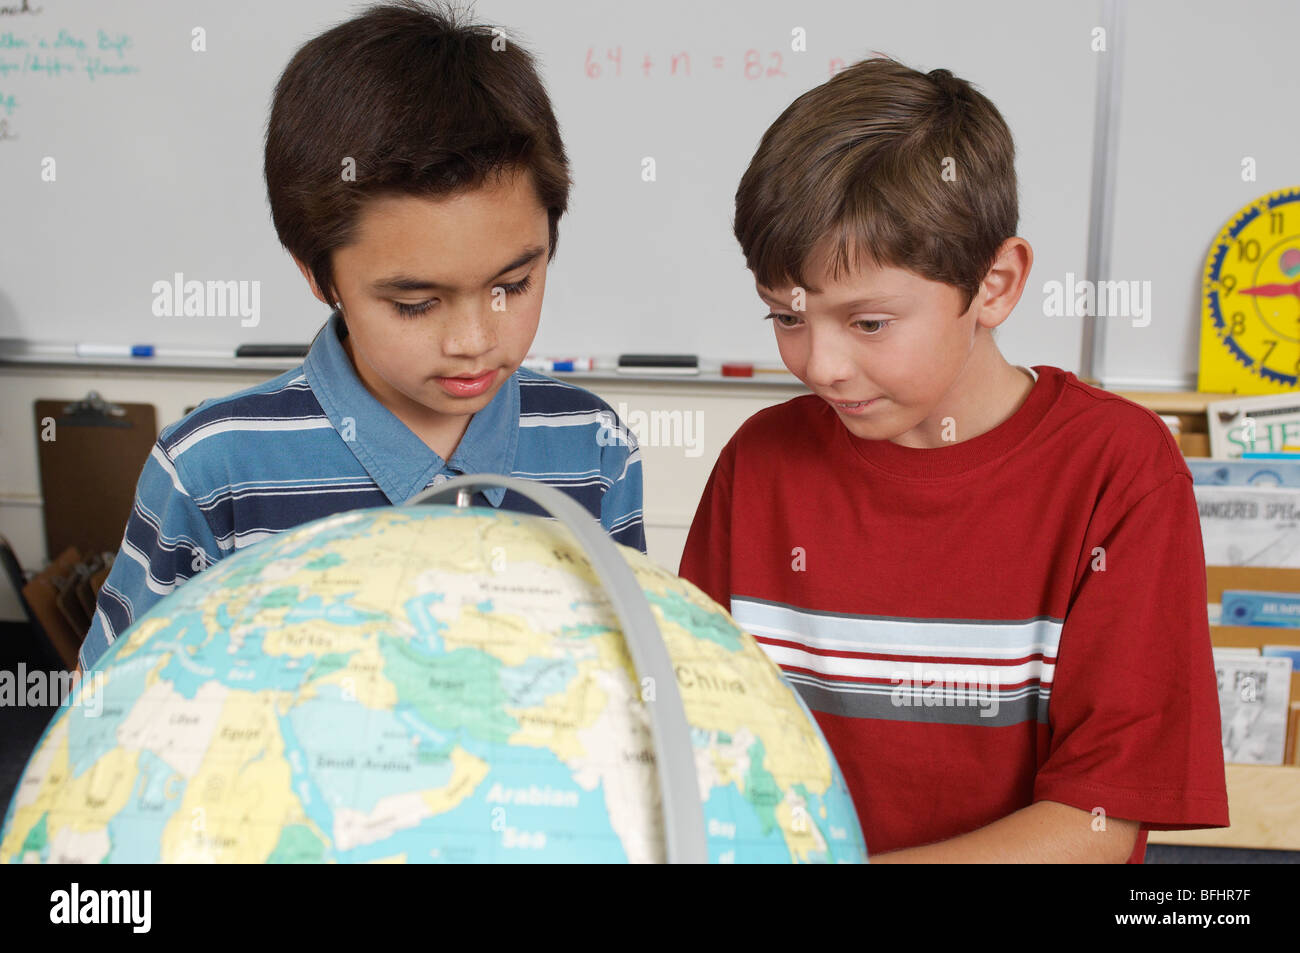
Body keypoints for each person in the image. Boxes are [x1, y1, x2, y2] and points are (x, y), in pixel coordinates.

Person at [677, 55, 1228, 863]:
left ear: (995, 285)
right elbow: (698, 738)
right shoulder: (758, 464)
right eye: (786, 318)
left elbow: (1097, 822)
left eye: (867, 323)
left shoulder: (1119, 472)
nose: (821, 364)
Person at [79, 1, 644, 672]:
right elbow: (108, 707)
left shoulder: (594, 446)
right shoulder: (215, 468)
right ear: (320, 277)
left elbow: (630, 674)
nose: (471, 340)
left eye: (512, 286)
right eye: (415, 303)